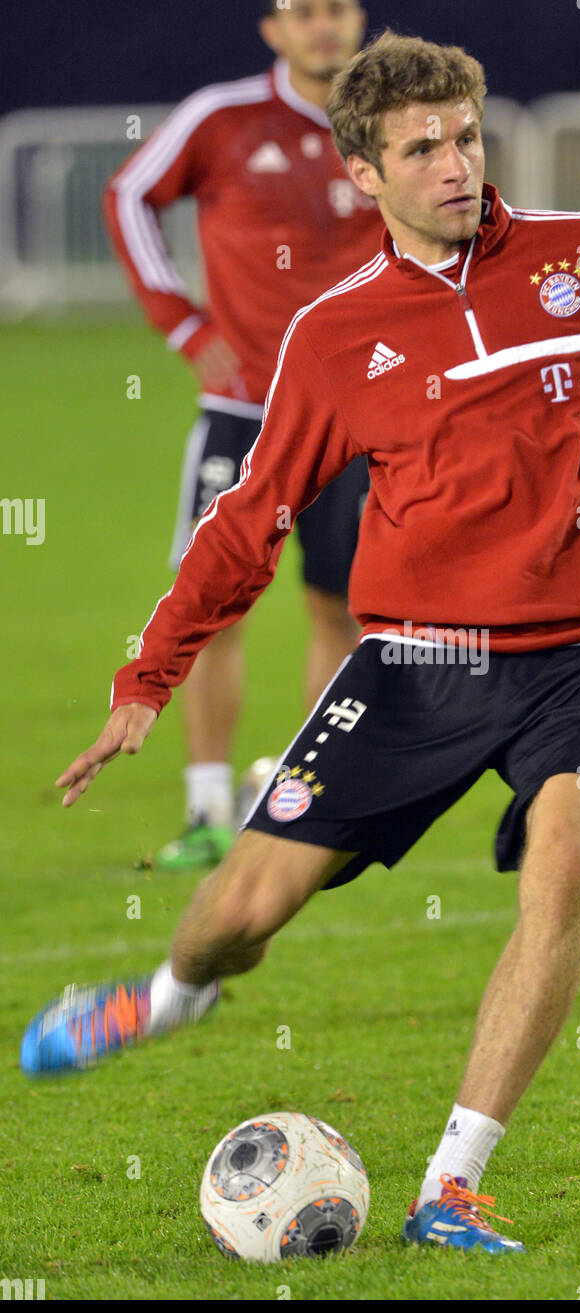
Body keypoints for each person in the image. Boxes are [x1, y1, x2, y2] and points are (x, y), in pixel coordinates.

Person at [25, 31, 580, 1254]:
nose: (457, 165)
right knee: (237, 914)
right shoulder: (338, 333)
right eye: (424, 149)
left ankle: (451, 1184)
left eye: (466, 137)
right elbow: (251, 518)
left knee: (568, 850)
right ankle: (170, 995)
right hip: (413, 662)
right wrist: (149, 676)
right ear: (365, 173)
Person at [103, 0, 382, 869]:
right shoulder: (221, 118)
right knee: (215, 606)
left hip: (356, 416)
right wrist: (182, 325)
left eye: (337, 9)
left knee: (340, 605)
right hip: (245, 411)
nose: (323, 27)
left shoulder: (387, 121)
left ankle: (302, 800)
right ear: (273, 29)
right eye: (303, 12)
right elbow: (128, 195)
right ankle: (207, 813)